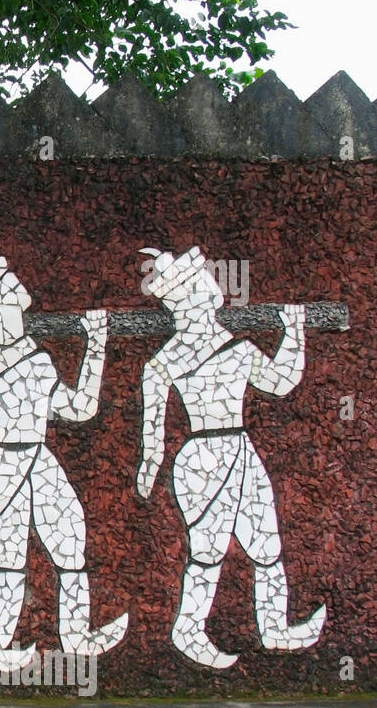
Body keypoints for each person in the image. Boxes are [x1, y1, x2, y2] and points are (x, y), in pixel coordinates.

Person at [137, 246, 325, 668]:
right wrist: (149, 466)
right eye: (201, 281)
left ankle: (274, 627)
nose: (211, 285)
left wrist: (294, 332)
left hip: (241, 449)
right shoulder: (163, 361)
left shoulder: (237, 349)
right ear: (188, 296)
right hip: (201, 458)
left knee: (267, 544)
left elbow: (279, 381)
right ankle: (188, 629)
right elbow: (154, 426)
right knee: (208, 551)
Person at [0, 254, 128, 671]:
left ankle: (77, 634)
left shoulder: (39, 360)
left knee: (71, 542)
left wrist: (95, 346)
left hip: (41, 462)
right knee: (11, 561)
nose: (20, 303)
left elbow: (80, 408)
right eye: (11, 297)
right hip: (6, 467)